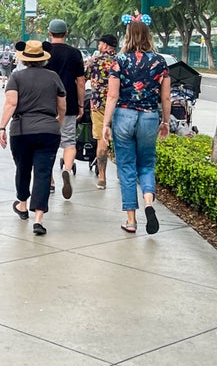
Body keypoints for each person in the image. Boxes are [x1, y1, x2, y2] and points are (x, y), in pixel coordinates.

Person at [101, 19, 170, 235]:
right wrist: (166, 122)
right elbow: (166, 97)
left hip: (124, 115)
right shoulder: (160, 62)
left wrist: (106, 123)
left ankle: (131, 220)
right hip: (149, 117)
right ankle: (148, 202)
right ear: (148, 36)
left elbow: (112, 95)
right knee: (147, 164)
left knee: (126, 166)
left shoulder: (119, 61)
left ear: (127, 36)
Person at [0, 40, 65, 236]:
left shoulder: (16, 77)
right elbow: (62, 105)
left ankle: (22, 204)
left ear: (24, 58)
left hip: (21, 130)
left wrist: (2, 127)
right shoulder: (53, 77)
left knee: (23, 168)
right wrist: (58, 123)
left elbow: (11, 104)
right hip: (48, 129)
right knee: (43, 172)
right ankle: (38, 219)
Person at [43, 18, 85, 199]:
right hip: (68, 103)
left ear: (49, 33)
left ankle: (50, 180)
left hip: (46, 104)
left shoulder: (44, 52)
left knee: (47, 144)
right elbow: (81, 82)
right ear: (66, 33)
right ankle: (67, 169)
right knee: (69, 142)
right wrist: (81, 104)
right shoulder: (75, 53)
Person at [86, 33, 118, 189]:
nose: (98, 46)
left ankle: (102, 178)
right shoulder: (121, 61)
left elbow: (83, 77)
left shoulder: (94, 60)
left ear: (105, 45)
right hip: (119, 105)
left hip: (99, 105)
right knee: (121, 140)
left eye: (100, 43)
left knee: (102, 140)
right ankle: (120, 173)